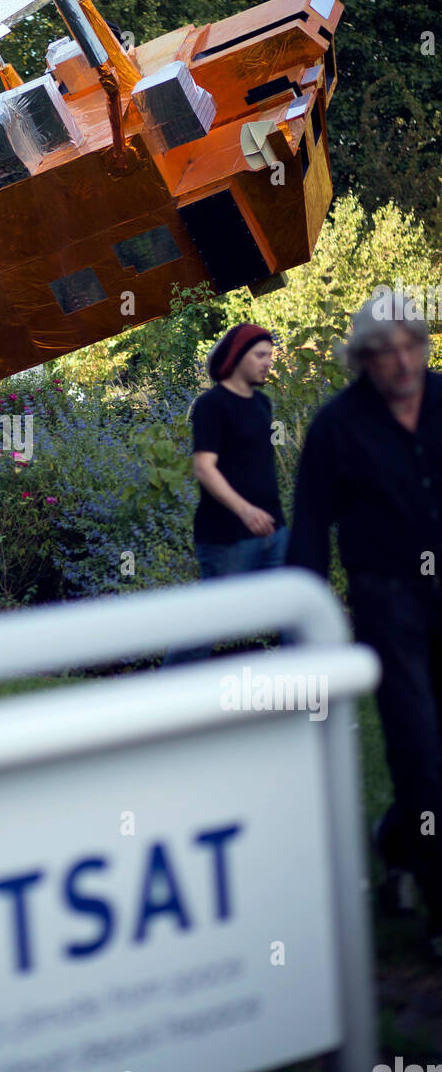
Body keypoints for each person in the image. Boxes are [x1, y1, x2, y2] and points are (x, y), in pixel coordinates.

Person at [288, 291, 442, 959]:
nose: (402, 362)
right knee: (416, 748)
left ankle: (397, 844)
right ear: (362, 361)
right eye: (385, 353)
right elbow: (310, 527)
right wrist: (307, 630)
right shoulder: (337, 427)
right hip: (388, 602)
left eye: (411, 345)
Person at [165, 322, 288, 662]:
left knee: (296, 611)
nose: (268, 362)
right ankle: (167, 695)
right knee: (207, 626)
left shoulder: (263, 404)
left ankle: (311, 698)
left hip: (275, 530)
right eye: (260, 355)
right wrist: (245, 511)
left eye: (270, 356)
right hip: (228, 537)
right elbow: (204, 467)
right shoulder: (212, 405)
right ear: (237, 357)